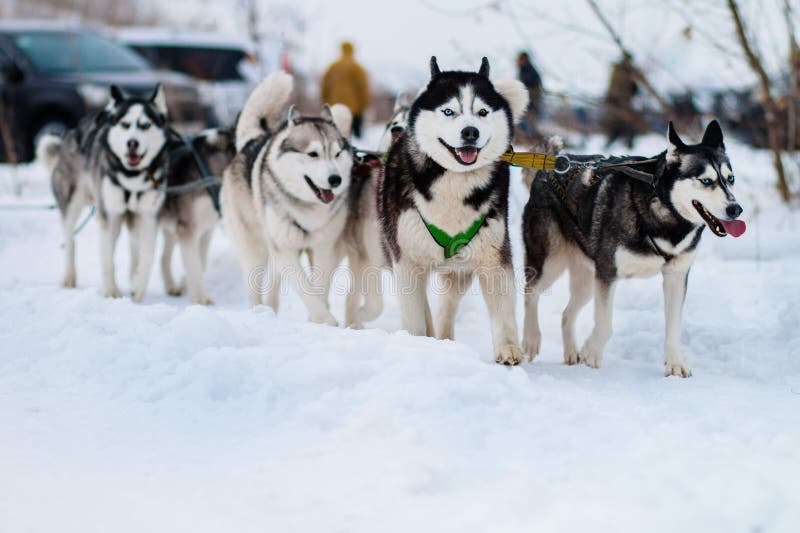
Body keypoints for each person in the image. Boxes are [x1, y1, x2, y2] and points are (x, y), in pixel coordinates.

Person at [321, 42, 370, 138]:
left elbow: (324, 87)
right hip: (354, 110)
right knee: (355, 139)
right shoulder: (357, 68)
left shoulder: (332, 67)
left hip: (335, 108)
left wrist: (325, 103)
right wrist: (365, 105)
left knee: (336, 136)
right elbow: (363, 88)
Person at [603, 53, 641, 149]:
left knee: (626, 122)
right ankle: (620, 142)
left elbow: (631, 87)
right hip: (618, 101)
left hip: (620, 101)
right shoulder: (622, 70)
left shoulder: (622, 70)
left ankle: (626, 142)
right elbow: (622, 86)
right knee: (619, 123)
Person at [517, 51, 542, 136]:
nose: (520, 61)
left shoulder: (531, 72)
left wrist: (531, 104)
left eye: (521, 59)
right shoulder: (522, 71)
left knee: (528, 125)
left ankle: (529, 138)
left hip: (530, 104)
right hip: (523, 103)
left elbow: (536, 90)